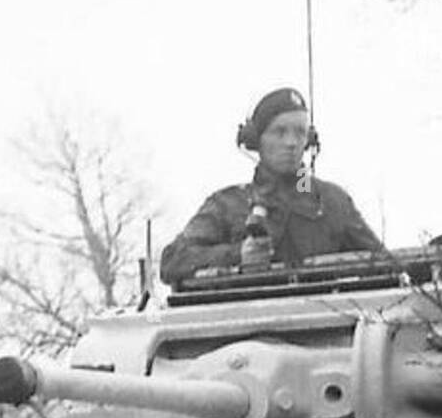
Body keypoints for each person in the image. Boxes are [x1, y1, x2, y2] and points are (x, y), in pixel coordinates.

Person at [159, 86, 385, 285]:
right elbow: (173, 261)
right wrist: (239, 255)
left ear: (309, 140)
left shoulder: (331, 202)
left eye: (300, 133)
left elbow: (383, 265)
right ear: (256, 140)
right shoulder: (229, 204)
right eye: (279, 132)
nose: (291, 143)